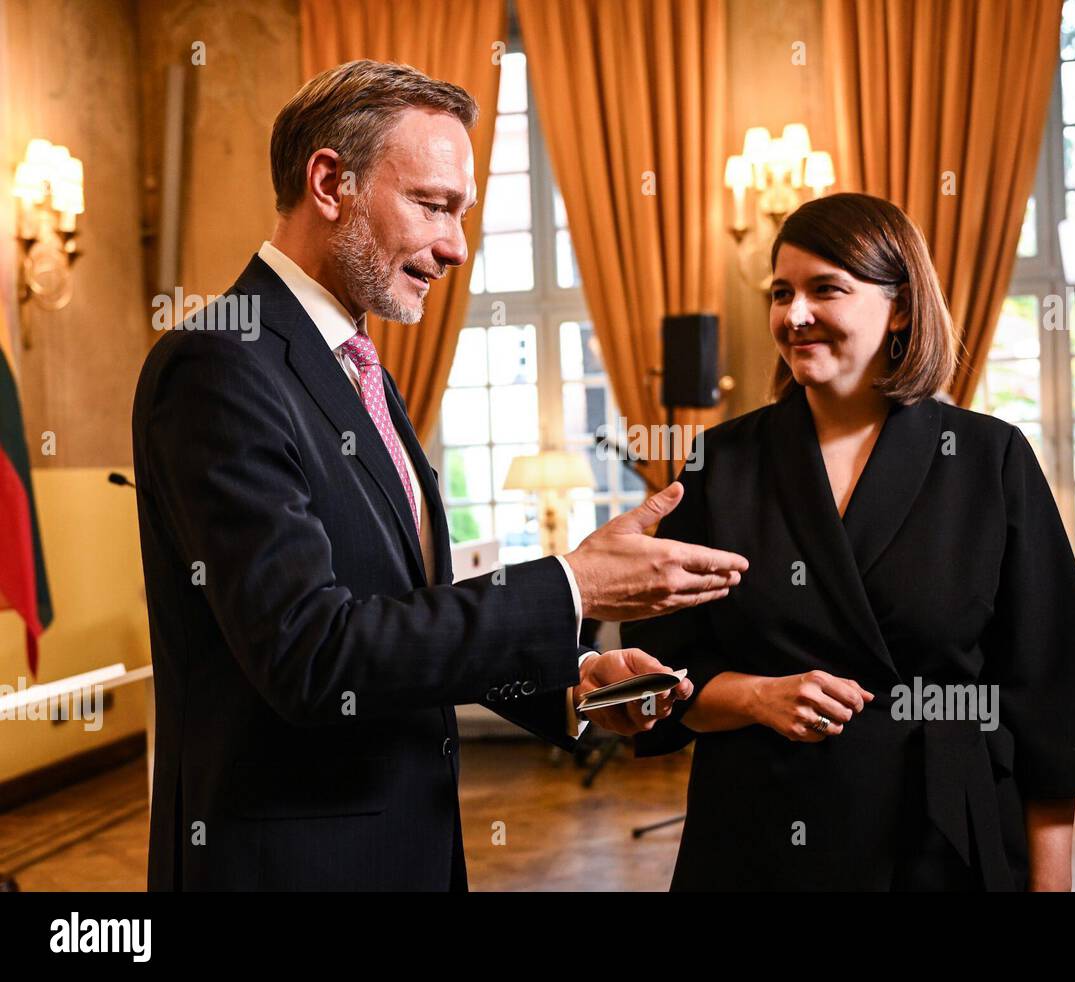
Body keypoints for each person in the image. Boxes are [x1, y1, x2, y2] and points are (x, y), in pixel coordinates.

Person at [131, 60, 746, 890]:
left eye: (462, 214)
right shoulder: (217, 366)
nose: (457, 246)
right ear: (328, 182)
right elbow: (313, 654)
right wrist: (570, 584)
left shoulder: (360, 368)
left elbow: (400, 612)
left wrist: (570, 684)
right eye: (433, 205)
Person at [623, 192, 1075, 891]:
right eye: (780, 293)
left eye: (825, 289)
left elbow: (1052, 709)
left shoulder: (991, 460)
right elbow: (662, 678)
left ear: (899, 307)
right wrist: (757, 697)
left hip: (939, 845)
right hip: (759, 841)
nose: (793, 315)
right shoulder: (720, 464)